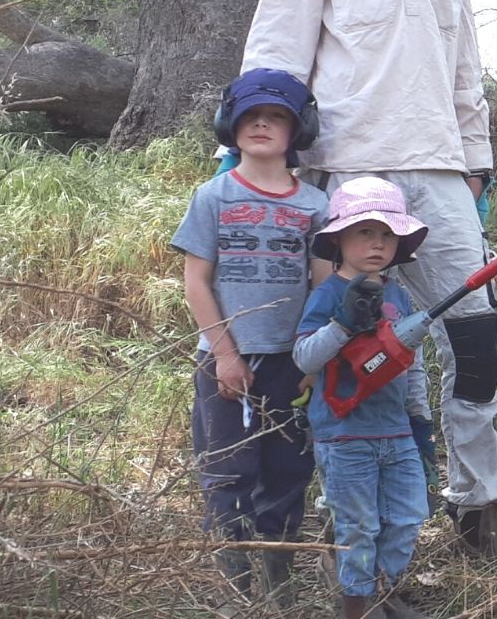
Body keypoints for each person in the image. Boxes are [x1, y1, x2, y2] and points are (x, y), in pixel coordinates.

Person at [242, 0, 497, 567]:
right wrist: (265, 158)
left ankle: (478, 507)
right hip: (348, 170)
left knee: (475, 337)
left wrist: (477, 162)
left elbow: (464, 56)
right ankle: (342, 512)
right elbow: (277, 53)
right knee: (344, 342)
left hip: (439, 169)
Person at [174, 68, 330, 610]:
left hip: (293, 362)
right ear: (229, 125)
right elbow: (196, 279)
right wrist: (224, 354)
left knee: (288, 470)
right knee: (228, 472)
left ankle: (279, 587)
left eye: (278, 116)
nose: (262, 123)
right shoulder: (212, 195)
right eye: (250, 115)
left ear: (299, 130)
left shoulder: (315, 205)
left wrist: (313, 359)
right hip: (225, 362)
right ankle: (235, 592)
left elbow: (323, 285)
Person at [294, 177, 434, 619]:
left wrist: (421, 418)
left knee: (407, 518)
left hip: (397, 430)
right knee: (360, 527)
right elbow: (303, 359)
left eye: (388, 235)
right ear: (339, 238)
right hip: (344, 433)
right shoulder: (329, 294)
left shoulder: (399, 295)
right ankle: (356, 607)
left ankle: (383, 593)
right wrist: (342, 324)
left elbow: (412, 363)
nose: (377, 244)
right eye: (365, 232)